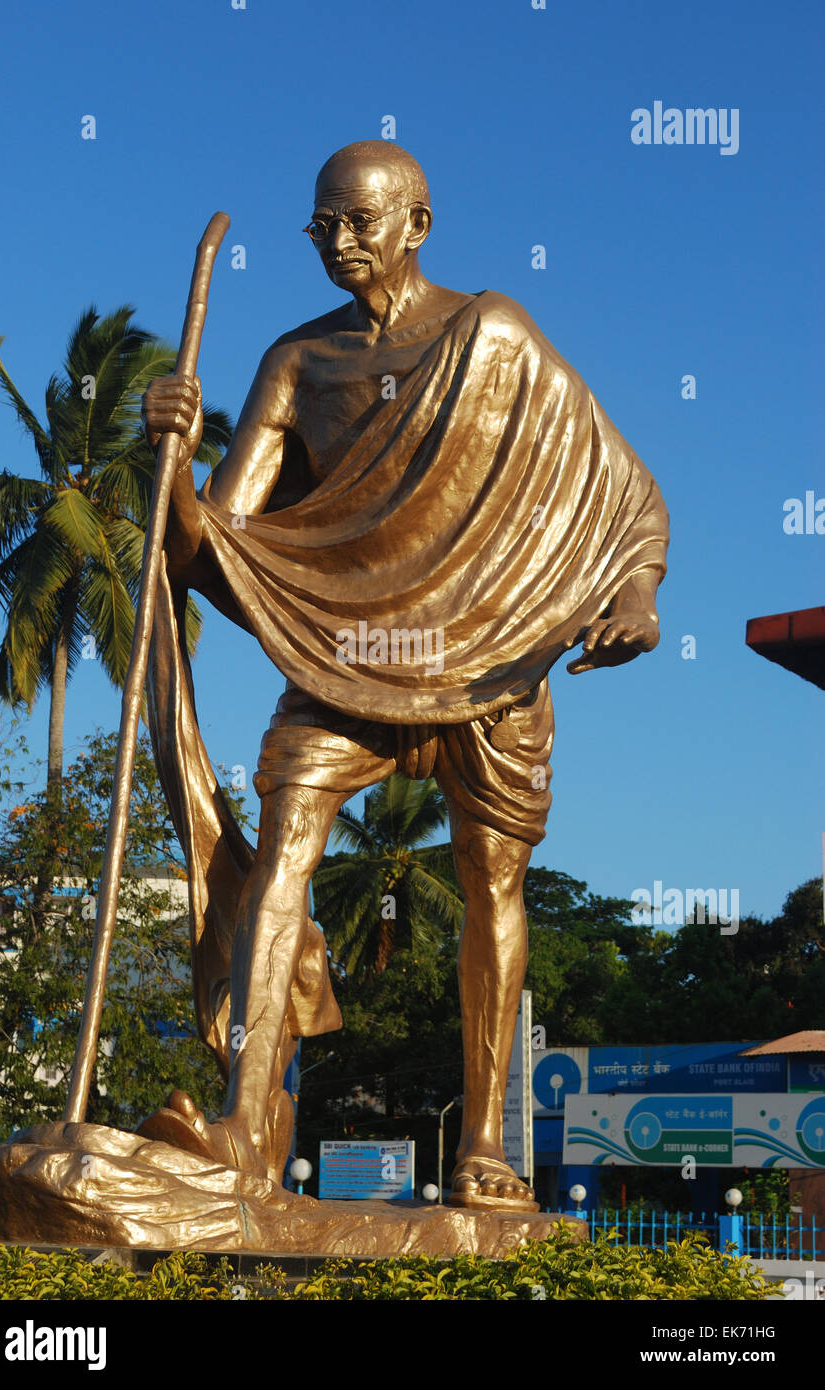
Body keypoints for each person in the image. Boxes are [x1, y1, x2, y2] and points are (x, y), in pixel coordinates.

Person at [138, 141, 668, 1210]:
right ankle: (245, 1125)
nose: (337, 243)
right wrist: (176, 466)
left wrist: (636, 599)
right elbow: (217, 552)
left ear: (419, 223)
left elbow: (628, 495)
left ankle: (481, 1144)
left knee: (492, 877)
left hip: (492, 658)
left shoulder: (496, 335)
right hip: (345, 657)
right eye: (321, 225)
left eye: (359, 222)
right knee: (284, 833)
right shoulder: (296, 362)